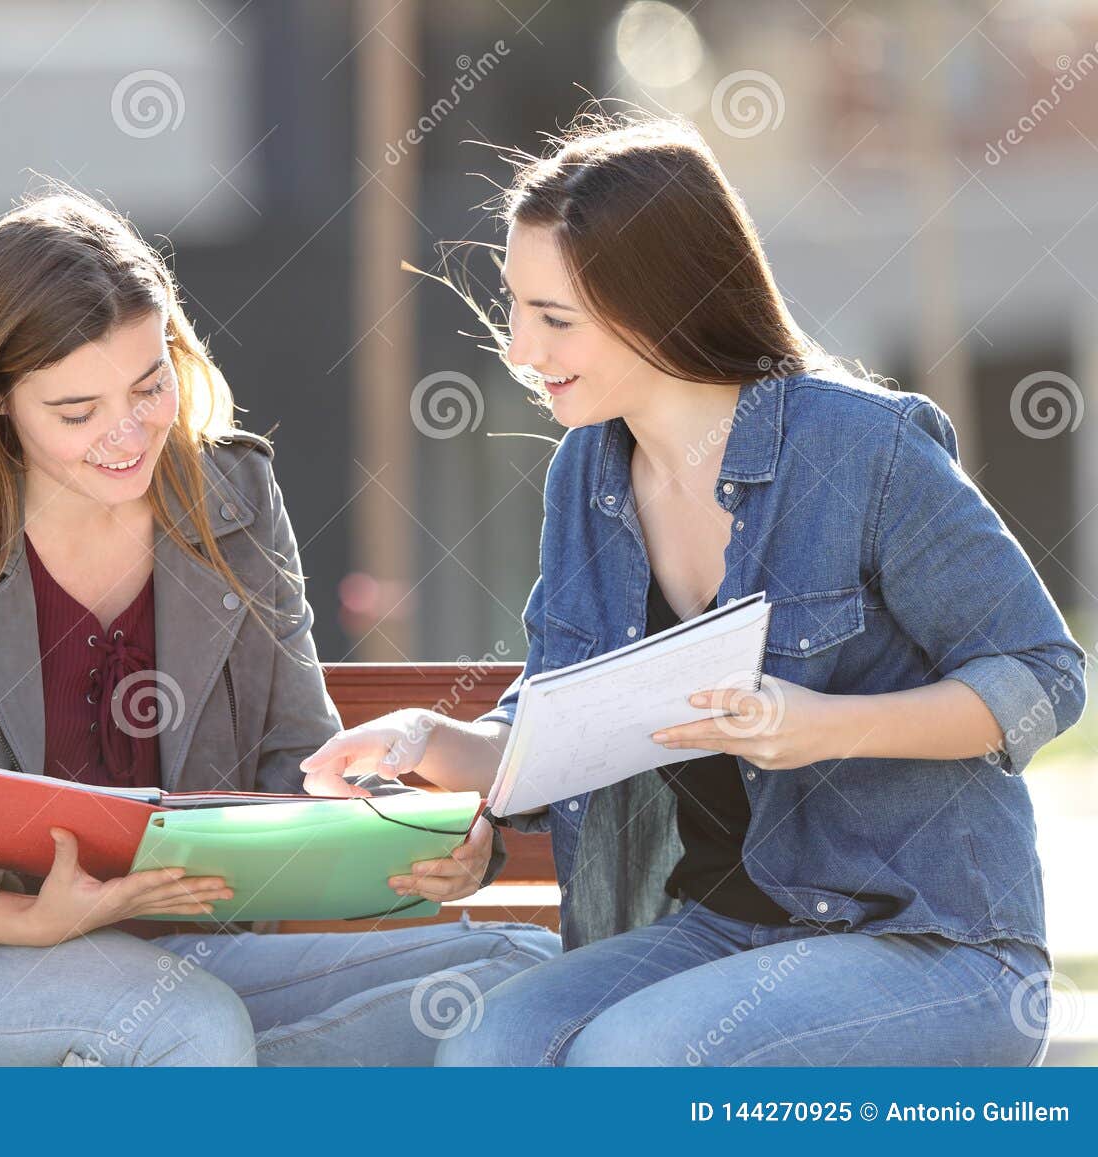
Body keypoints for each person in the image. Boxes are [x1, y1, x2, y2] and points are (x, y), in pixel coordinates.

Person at [301, 116, 1082, 1067]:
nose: (516, 347)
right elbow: (552, 725)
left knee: (633, 1059)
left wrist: (825, 726)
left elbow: (1042, 675)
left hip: (930, 943)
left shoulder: (861, 449)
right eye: (515, 307)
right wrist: (428, 742)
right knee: (488, 1047)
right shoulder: (585, 476)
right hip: (726, 931)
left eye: (553, 318)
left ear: (661, 305)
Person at [0, 189, 557, 1068]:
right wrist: (25, 916)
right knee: (187, 1030)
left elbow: (295, 765)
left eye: (149, 385)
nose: (126, 434)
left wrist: (415, 841)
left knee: (512, 974)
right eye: (76, 413)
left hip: (177, 953)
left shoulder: (231, 503)